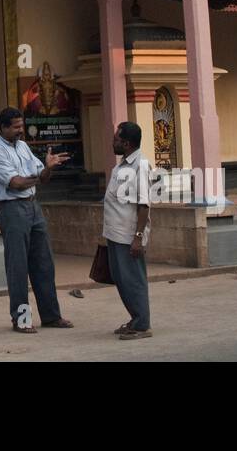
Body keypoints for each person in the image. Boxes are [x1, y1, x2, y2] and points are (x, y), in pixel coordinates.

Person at [0, 106, 73, 333]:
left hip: (33, 206)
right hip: (11, 209)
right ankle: (21, 320)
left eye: (21, 126)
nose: (20, 131)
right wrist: (38, 176)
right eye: (15, 127)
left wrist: (49, 168)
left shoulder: (23, 146)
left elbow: (41, 177)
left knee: (44, 263)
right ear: (2, 128)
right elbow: (16, 183)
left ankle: (51, 316)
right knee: (18, 266)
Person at [104, 121, 151, 340]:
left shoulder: (140, 166)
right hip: (114, 233)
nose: (113, 142)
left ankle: (142, 325)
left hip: (128, 235)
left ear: (127, 143)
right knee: (121, 279)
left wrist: (138, 238)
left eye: (116, 139)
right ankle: (135, 319)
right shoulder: (122, 165)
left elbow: (143, 205)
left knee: (133, 279)